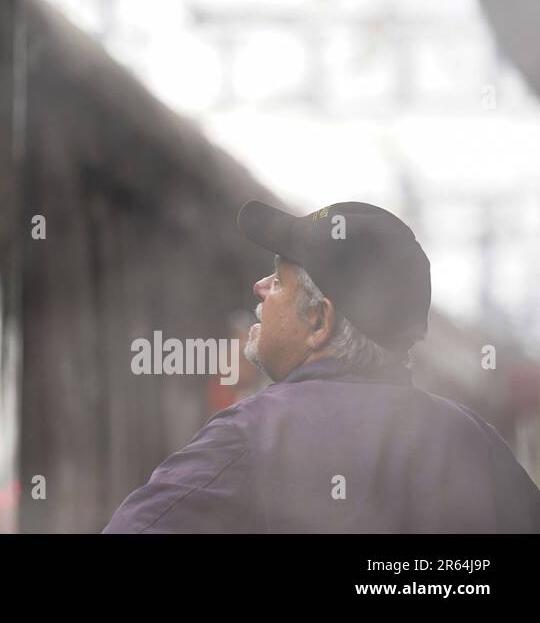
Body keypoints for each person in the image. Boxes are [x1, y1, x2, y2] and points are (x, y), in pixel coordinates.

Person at [103, 200, 540, 533]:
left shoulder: (253, 436)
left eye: (278, 280)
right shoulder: (473, 442)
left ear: (319, 320)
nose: (260, 288)